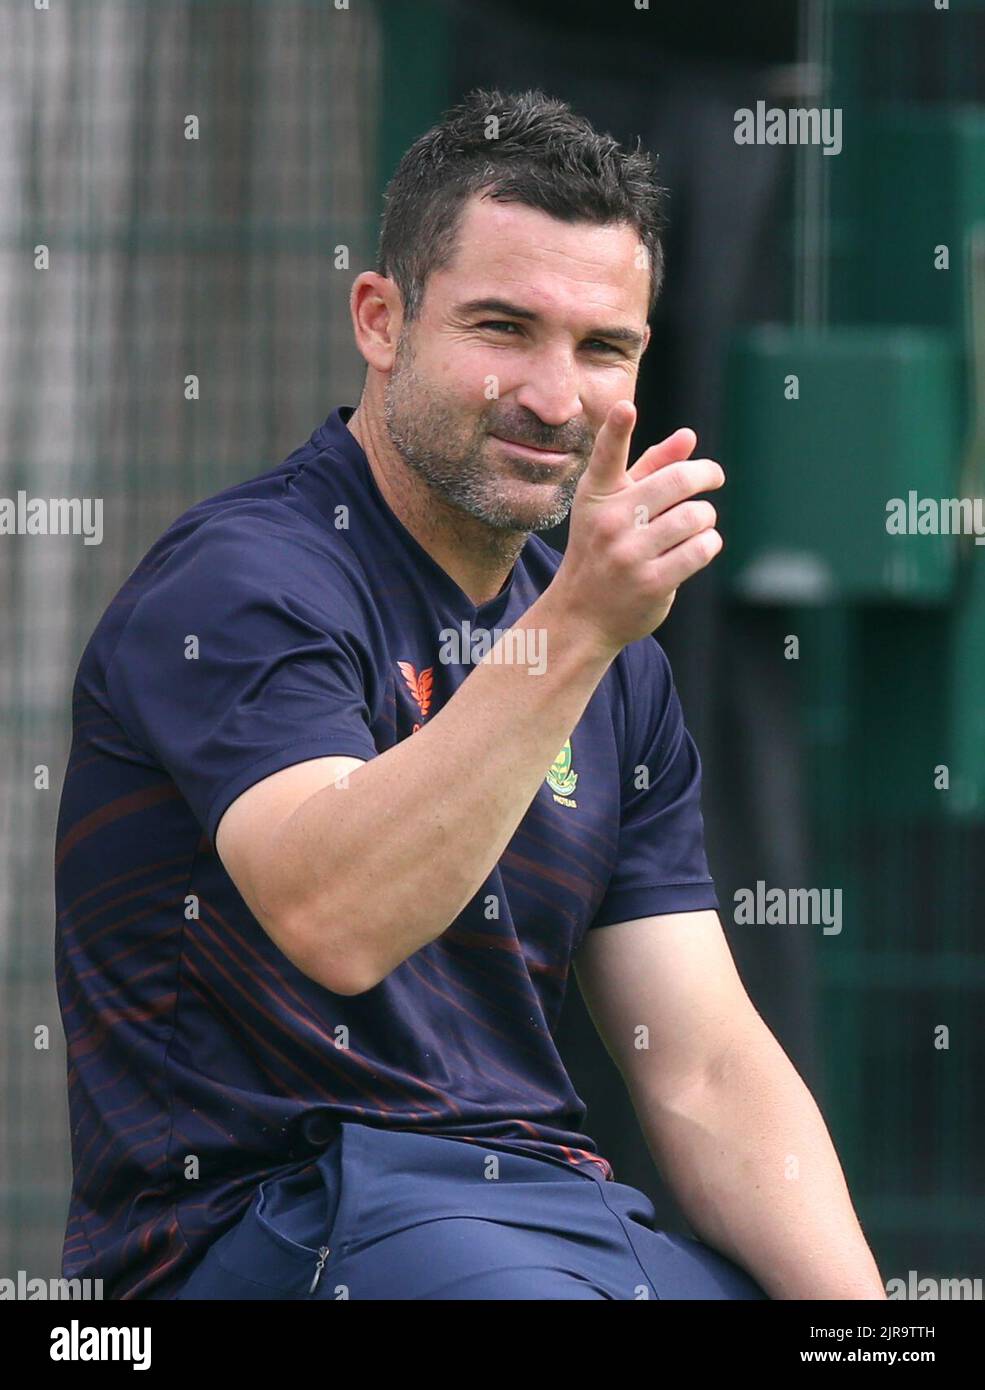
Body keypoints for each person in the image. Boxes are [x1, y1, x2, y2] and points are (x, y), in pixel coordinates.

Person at [54, 88, 884, 1300]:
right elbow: (336, 916)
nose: (557, 397)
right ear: (380, 320)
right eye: (504, 328)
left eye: (605, 349)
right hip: (252, 1225)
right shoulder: (243, 582)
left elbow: (702, 1064)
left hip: (547, 1213)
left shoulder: (613, 659)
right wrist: (577, 628)